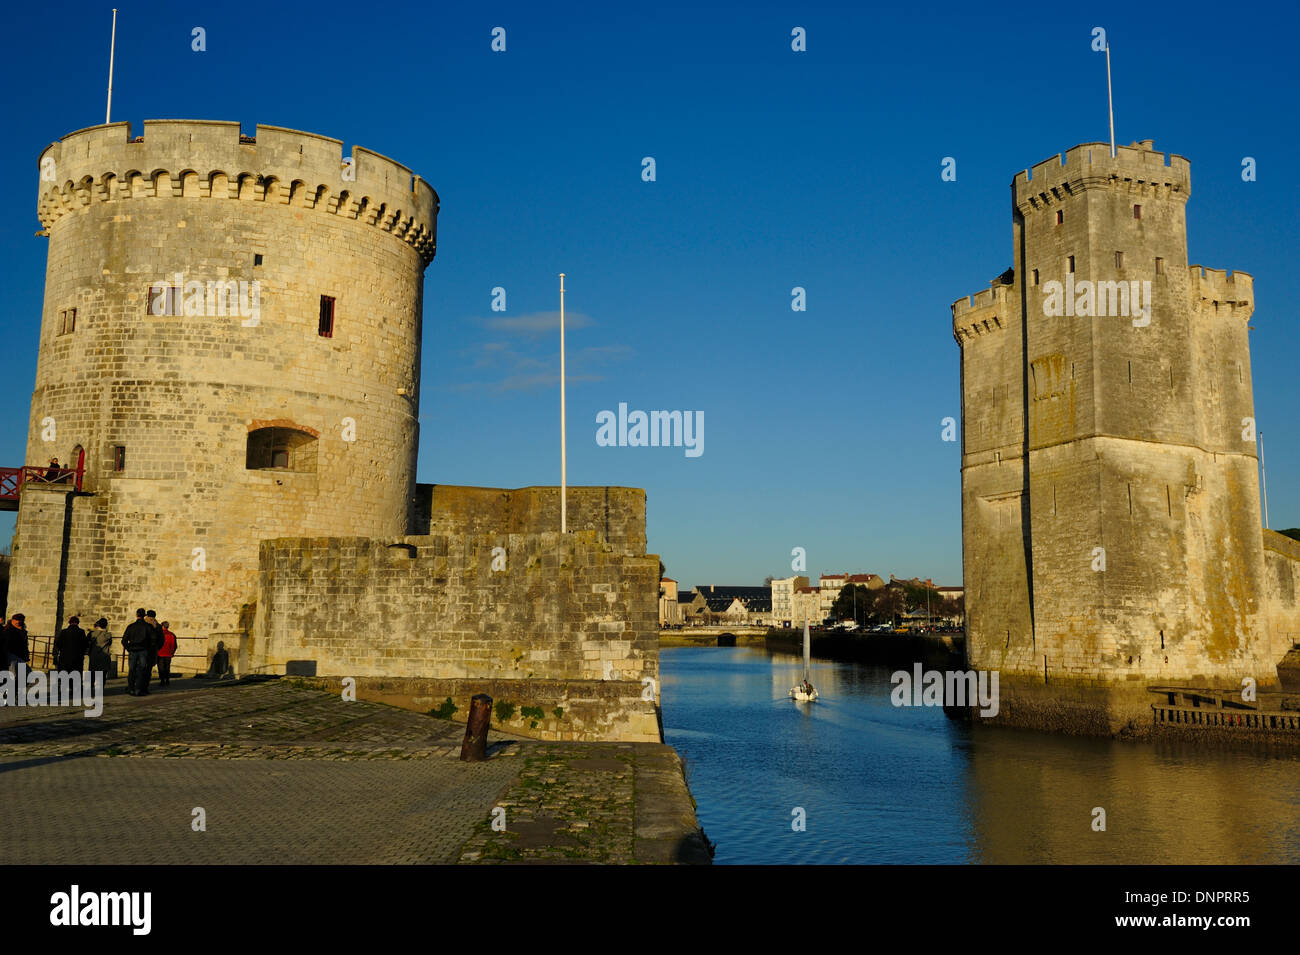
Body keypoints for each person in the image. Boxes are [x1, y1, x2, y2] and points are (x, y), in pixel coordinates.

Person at [121, 608, 155, 696]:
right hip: (143, 650)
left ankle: (131, 688)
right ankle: (139, 689)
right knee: (142, 670)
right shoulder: (148, 627)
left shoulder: (131, 626)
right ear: (144, 615)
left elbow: (124, 640)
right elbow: (153, 640)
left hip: (133, 650)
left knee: (131, 670)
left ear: (136, 615)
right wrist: (148, 649)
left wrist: (129, 648)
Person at [157, 621, 177, 686]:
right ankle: (167, 680)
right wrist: (172, 652)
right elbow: (174, 645)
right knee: (167, 667)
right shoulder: (172, 634)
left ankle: (162, 680)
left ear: (162, 626)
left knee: (161, 668)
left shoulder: (159, 634)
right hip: (168, 654)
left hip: (160, 653)